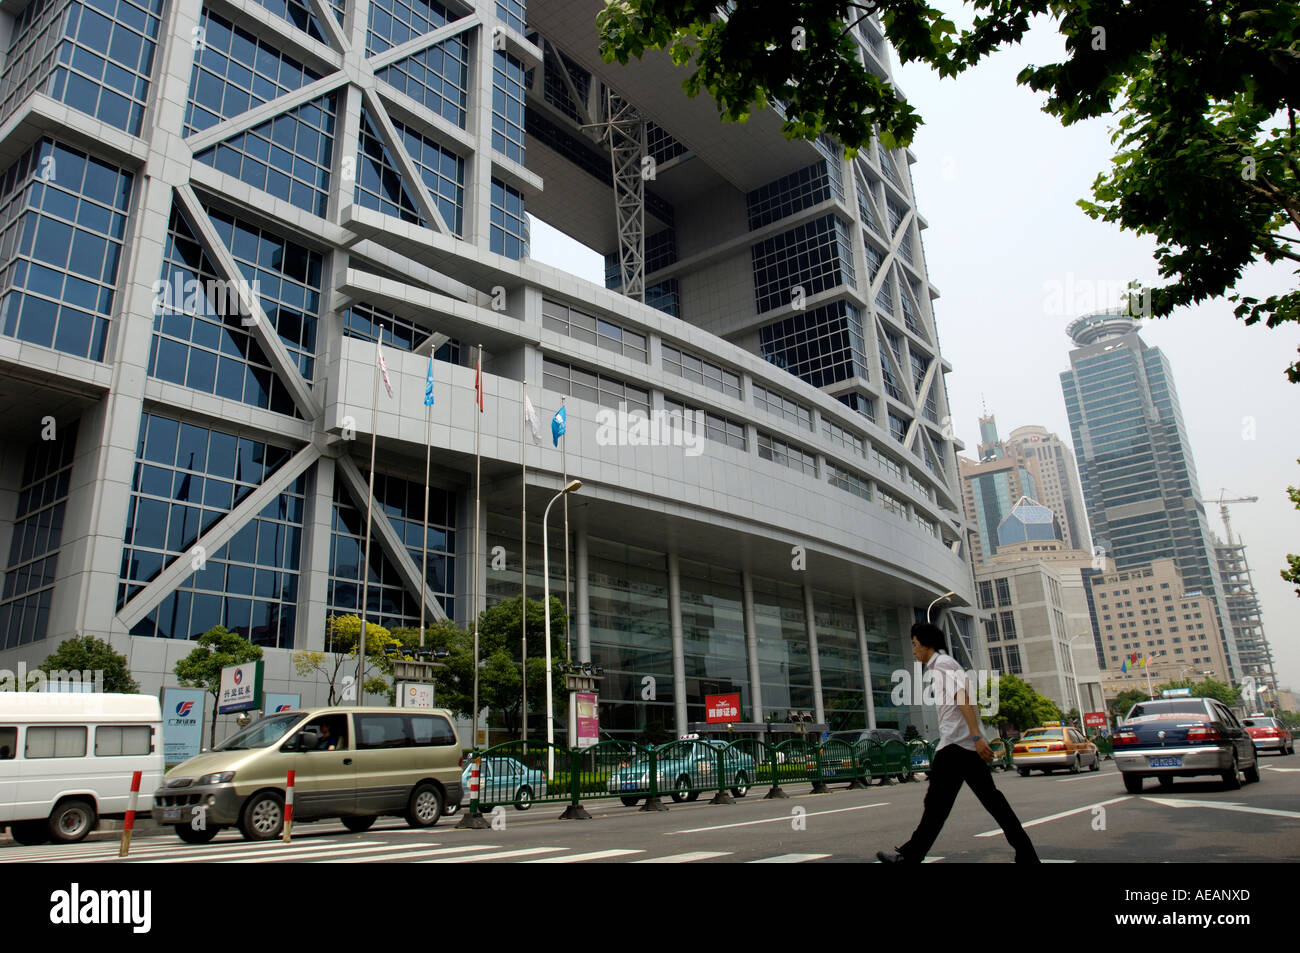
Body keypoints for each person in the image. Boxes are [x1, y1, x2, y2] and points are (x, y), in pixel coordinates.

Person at [877, 622, 1039, 864]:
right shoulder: (941, 665)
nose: (913, 650)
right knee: (987, 802)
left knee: (938, 805)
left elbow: (962, 697)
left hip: (957, 747)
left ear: (925, 643)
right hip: (962, 747)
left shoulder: (942, 664)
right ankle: (1026, 854)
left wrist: (976, 736)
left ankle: (910, 857)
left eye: (914, 644)